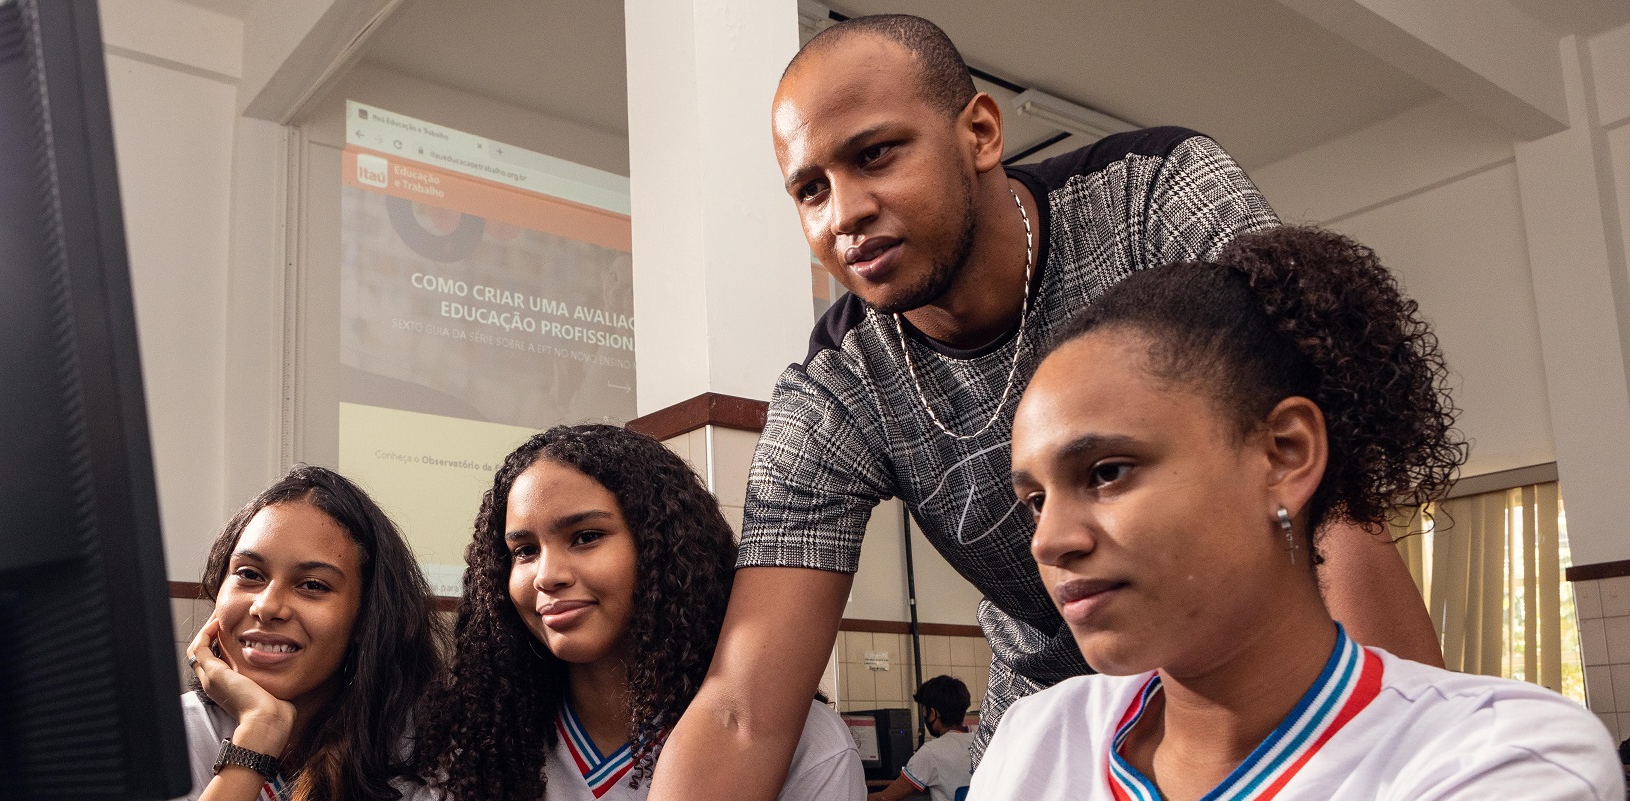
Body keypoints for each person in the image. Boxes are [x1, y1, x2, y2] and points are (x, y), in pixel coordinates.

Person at [646, 13, 1447, 801]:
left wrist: (1408, 753)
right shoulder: (837, 386)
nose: (844, 212)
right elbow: (742, 708)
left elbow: (1329, 508)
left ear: (981, 132)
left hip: (1253, 678)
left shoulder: (1150, 199)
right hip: (1053, 712)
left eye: (876, 154)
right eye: (810, 189)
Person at [970, 225, 1621, 799]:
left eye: (1107, 472)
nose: (1048, 541)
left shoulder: (1502, 754)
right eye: (1036, 501)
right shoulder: (1040, 736)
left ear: (1284, 454)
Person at [412, 424, 864, 801]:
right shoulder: (477, 742)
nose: (546, 576)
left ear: (663, 548)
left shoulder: (805, 744)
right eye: (525, 550)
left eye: (586, 537)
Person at [177, 465, 445, 801]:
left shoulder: (426, 743)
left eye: (313, 585)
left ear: (366, 616)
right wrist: (259, 731)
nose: (266, 607)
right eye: (249, 574)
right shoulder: (173, 733)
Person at [870, 676, 975, 801]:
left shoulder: (931, 752)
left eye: (925, 711)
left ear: (934, 713)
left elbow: (884, 798)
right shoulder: (986, 741)